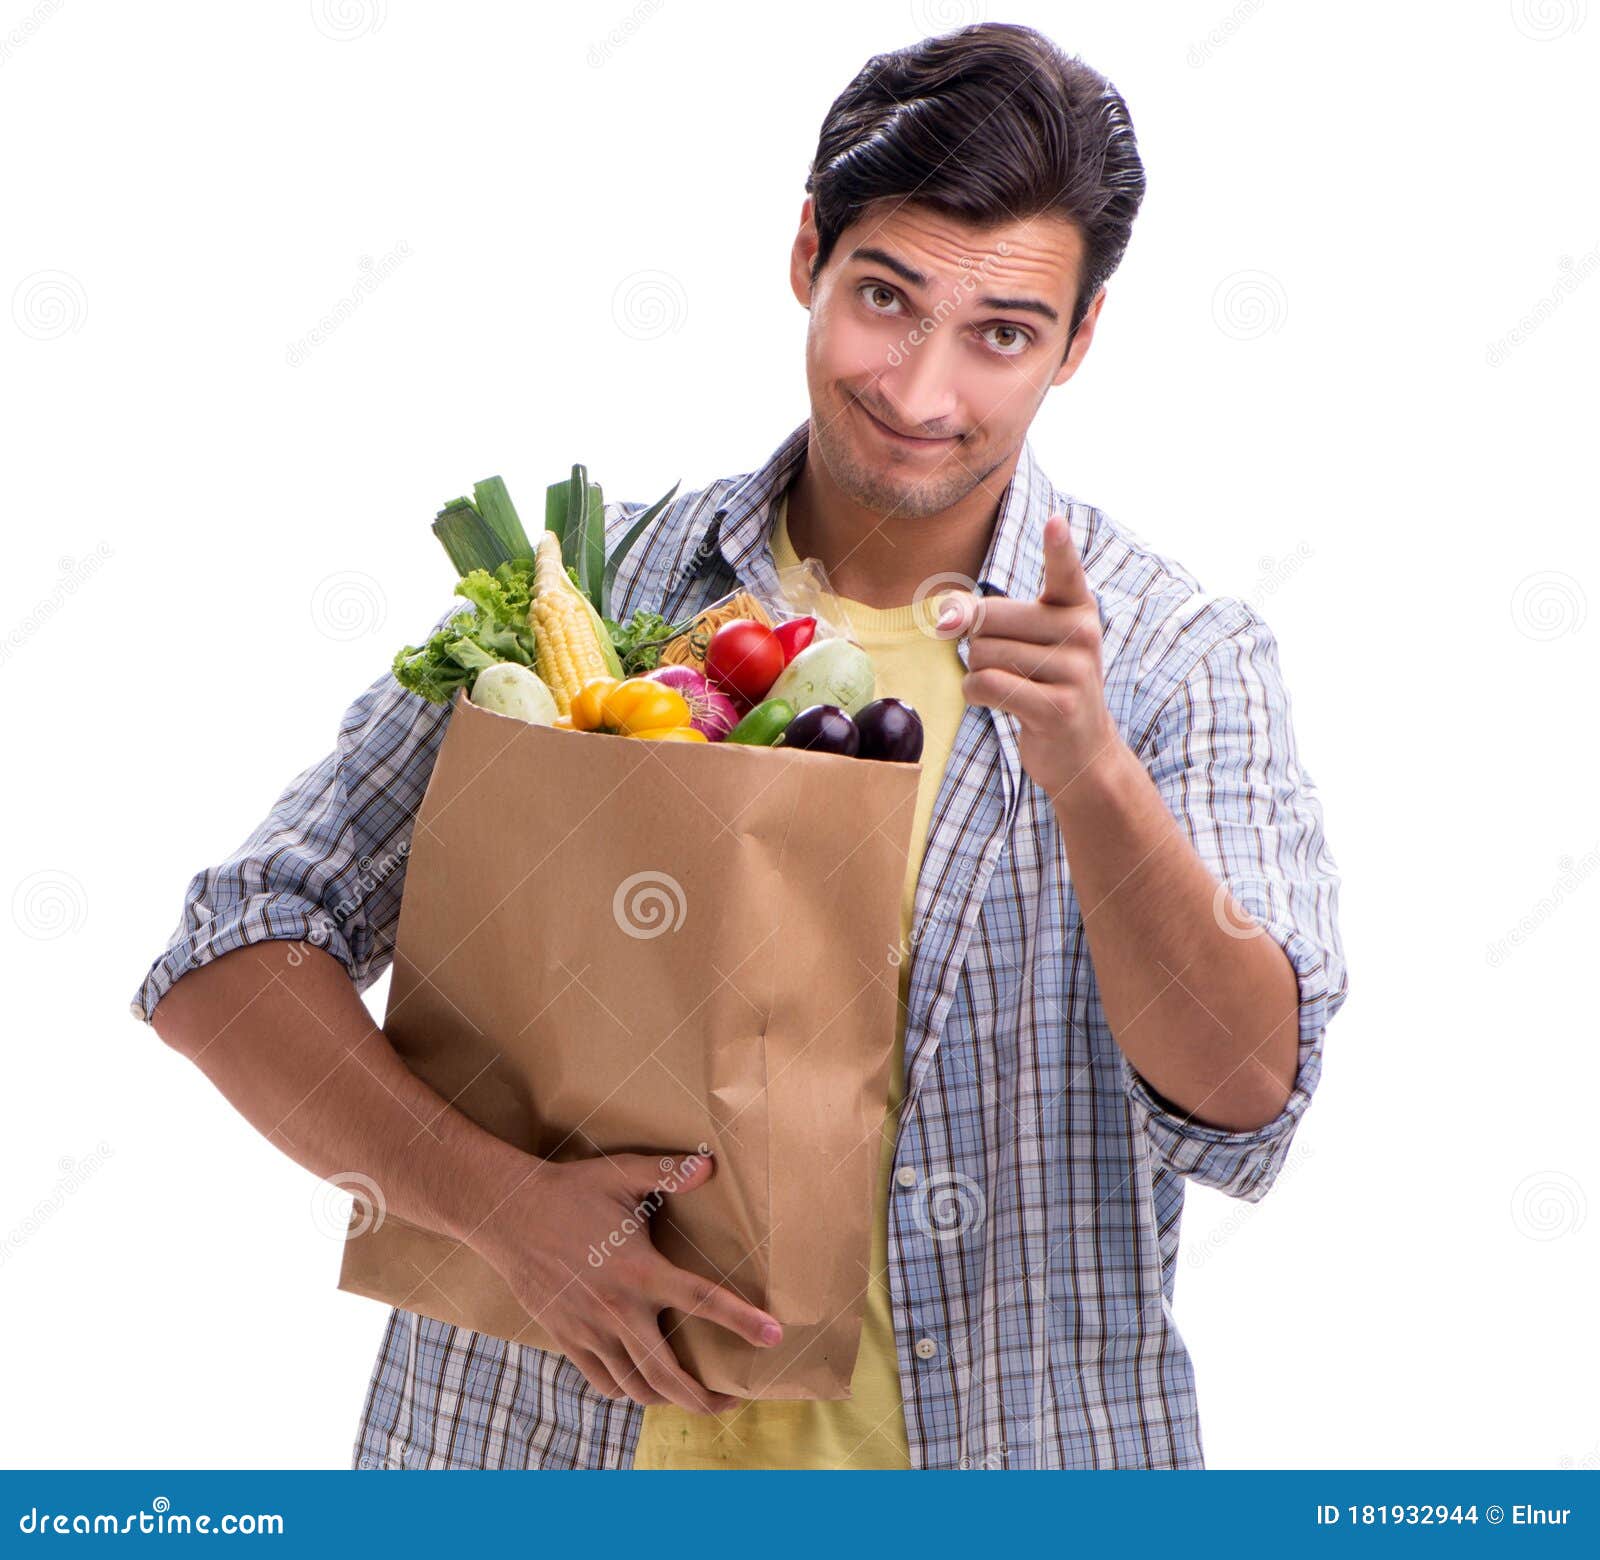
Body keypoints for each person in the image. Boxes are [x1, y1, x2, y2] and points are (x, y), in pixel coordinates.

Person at [131, 22, 1348, 1470]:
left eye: (1002, 334)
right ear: (806, 257)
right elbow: (229, 951)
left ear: (1079, 342)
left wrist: (1091, 775)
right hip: (537, 1459)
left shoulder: (1173, 663)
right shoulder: (590, 592)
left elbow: (1243, 1101)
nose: (920, 389)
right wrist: (500, 1210)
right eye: (885, 298)